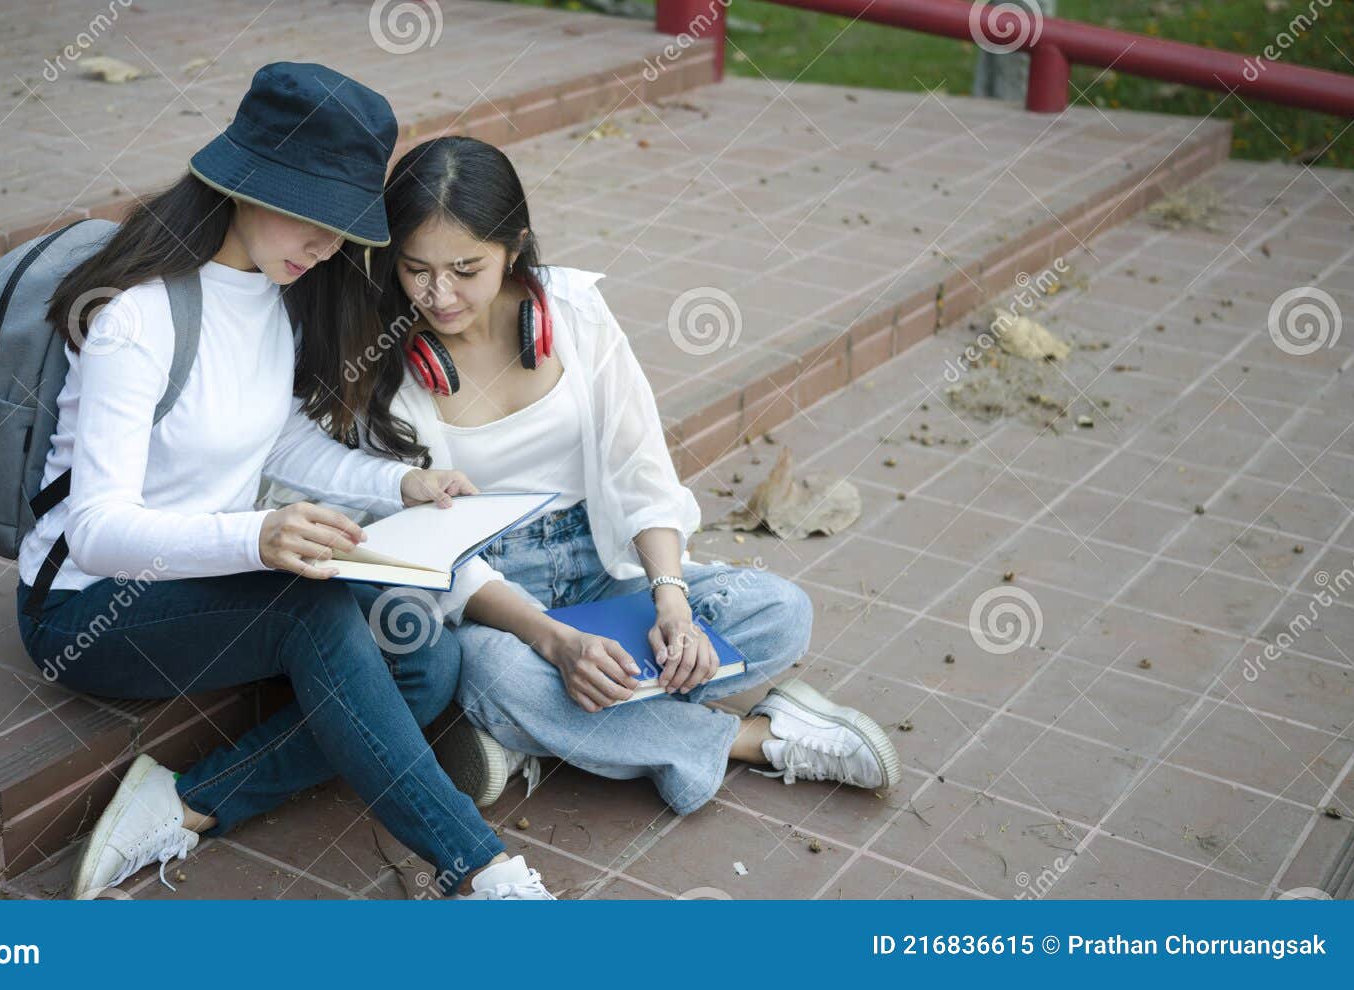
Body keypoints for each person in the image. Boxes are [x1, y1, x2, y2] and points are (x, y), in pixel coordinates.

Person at [14, 66, 552, 901]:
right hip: (91, 605)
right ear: (241, 183)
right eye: (310, 216)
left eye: (342, 228)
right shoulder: (137, 317)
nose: (326, 246)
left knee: (424, 657)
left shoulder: (273, 290)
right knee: (310, 607)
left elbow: (280, 438)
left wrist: (399, 485)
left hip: (206, 578)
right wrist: (256, 538)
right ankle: (481, 872)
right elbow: (97, 530)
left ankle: (188, 805)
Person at [296, 136, 902, 817]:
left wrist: (671, 603)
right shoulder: (375, 352)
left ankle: (544, 736)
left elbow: (640, 465)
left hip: (601, 560)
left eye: (466, 269)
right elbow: (425, 546)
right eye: (416, 270)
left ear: (514, 247)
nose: (439, 295)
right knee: (499, 675)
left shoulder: (576, 311)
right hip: (491, 595)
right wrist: (553, 641)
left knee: (780, 612)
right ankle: (757, 739)